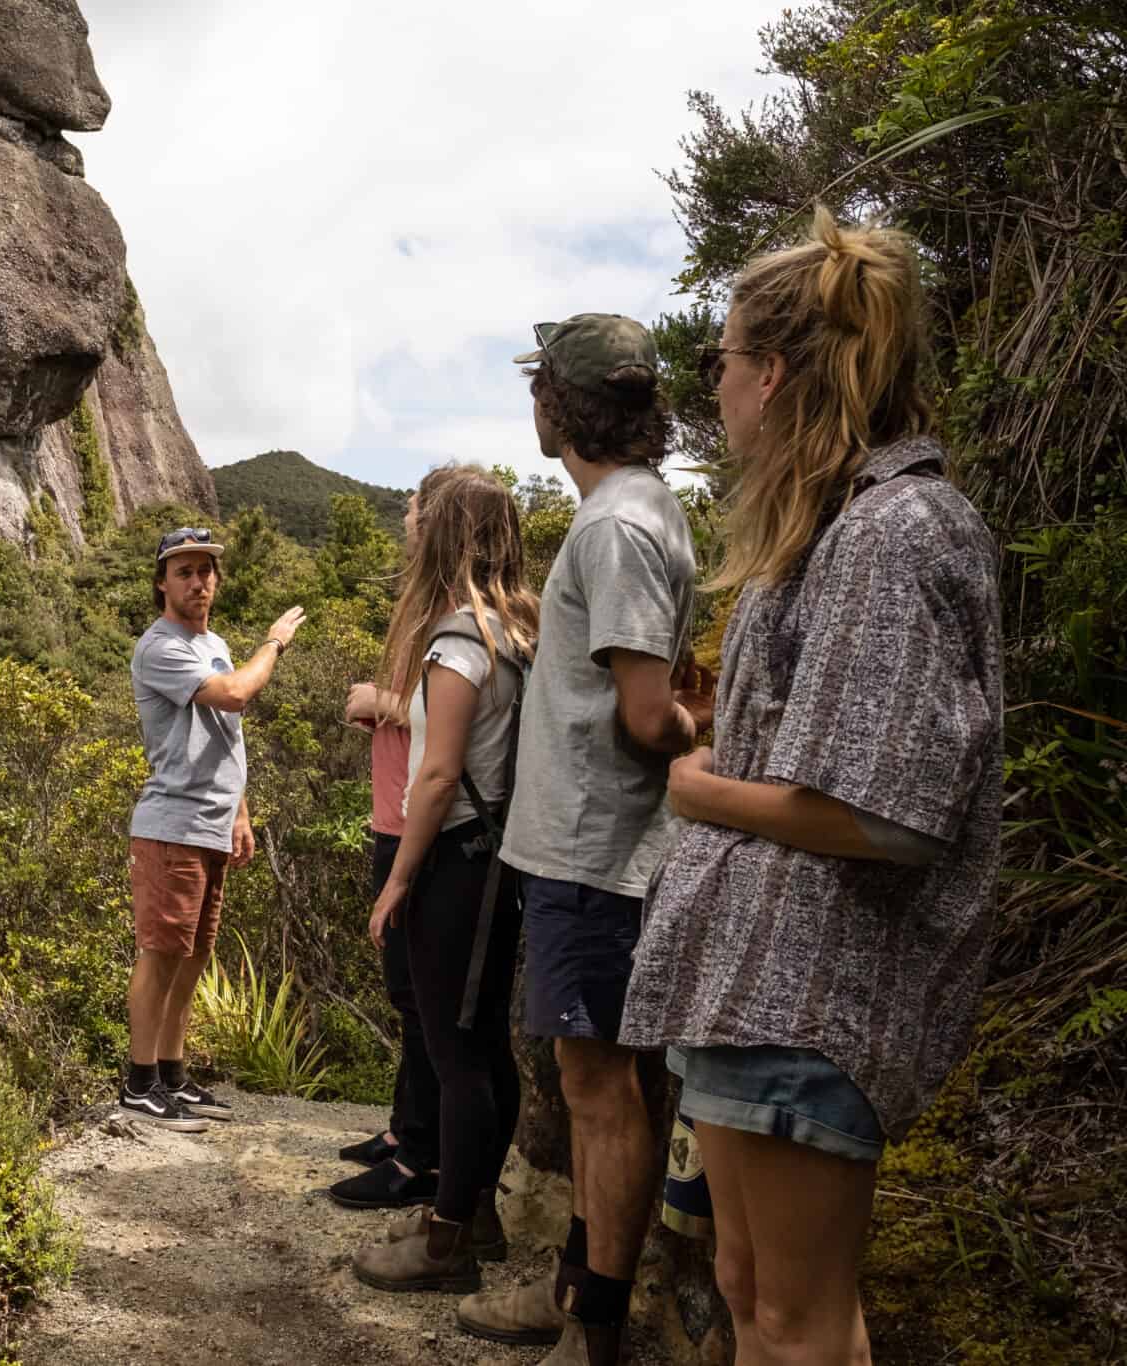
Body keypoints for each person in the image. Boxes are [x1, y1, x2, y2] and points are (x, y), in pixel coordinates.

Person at [620, 209, 1003, 1365]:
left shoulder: (893, 533)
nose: (717, 384)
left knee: (791, 1316)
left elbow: (889, 816)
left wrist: (698, 789)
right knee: (753, 1290)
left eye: (722, 360)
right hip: (756, 985)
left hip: (810, 995)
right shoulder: (838, 529)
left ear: (772, 373)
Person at [454, 314, 707, 1366]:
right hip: (595, 849)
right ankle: (574, 1288)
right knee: (604, 1082)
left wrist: (705, 734)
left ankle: (594, 1327)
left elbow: (648, 715)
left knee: (600, 1090)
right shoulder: (643, 510)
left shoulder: (611, 528)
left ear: (553, 405)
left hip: (595, 855)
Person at [332, 465, 537, 1296]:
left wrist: (398, 881)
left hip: (454, 860)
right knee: (484, 1043)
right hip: (498, 860)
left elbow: (439, 774)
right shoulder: (517, 631)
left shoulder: (459, 642)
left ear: (447, 536)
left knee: (455, 1054)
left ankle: (446, 1236)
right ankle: (475, 1210)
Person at [121, 526, 306, 1131]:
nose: (198, 582)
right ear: (162, 582)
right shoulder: (160, 647)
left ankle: (173, 1075)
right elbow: (233, 696)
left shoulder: (214, 641)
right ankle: (139, 1084)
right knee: (160, 953)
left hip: (211, 824)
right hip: (172, 822)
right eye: (184, 572)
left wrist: (241, 813)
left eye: (206, 571)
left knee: (195, 954)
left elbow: (229, 737)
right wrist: (274, 644)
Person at [336, 670, 422, 1176]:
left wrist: (382, 700)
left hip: (418, 826)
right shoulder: (422, 631)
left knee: (419, 997)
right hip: (392, 822)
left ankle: (418, 1149)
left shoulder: (460, 628)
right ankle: (404, 1128)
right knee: (406, 992)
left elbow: (462, 714)